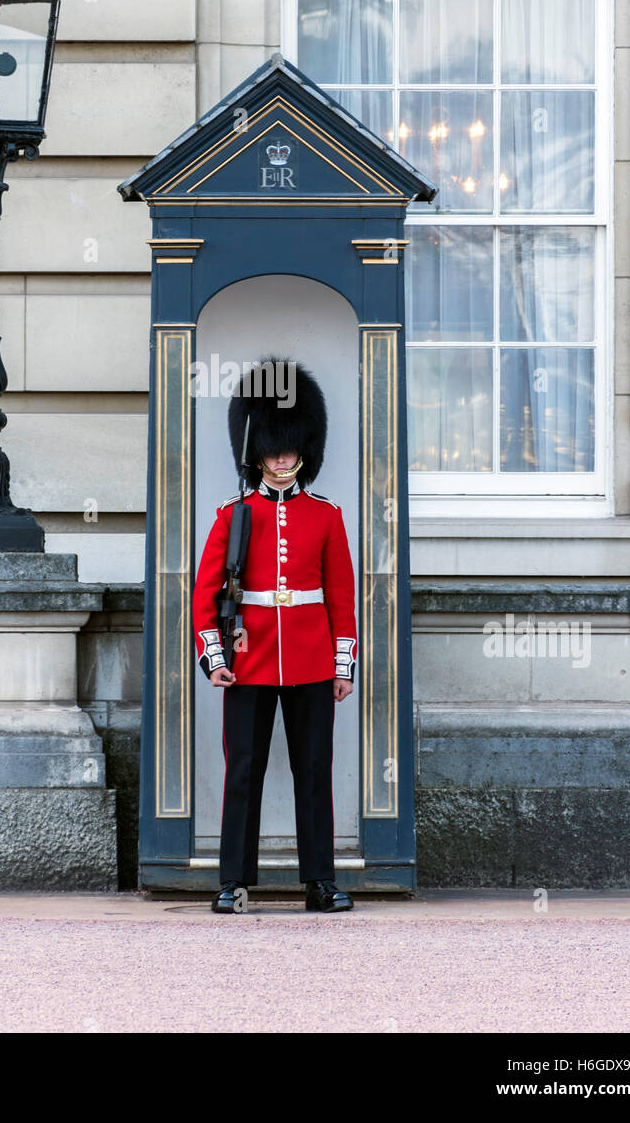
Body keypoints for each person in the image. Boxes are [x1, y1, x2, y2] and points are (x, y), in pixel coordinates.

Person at [192, 356, 357, 913]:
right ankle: (234, 881)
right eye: (272, 447)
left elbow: (340, 599)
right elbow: (205, 596)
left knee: (314, 772)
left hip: (311, 659)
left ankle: (319, 882)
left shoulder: (326, 516)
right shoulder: (232, 515)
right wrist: (215, 657)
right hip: (250, 658)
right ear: (256, 449)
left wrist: (343, 665)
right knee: (243, 771)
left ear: (303, 449)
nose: (282, 457)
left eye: (288, 447)